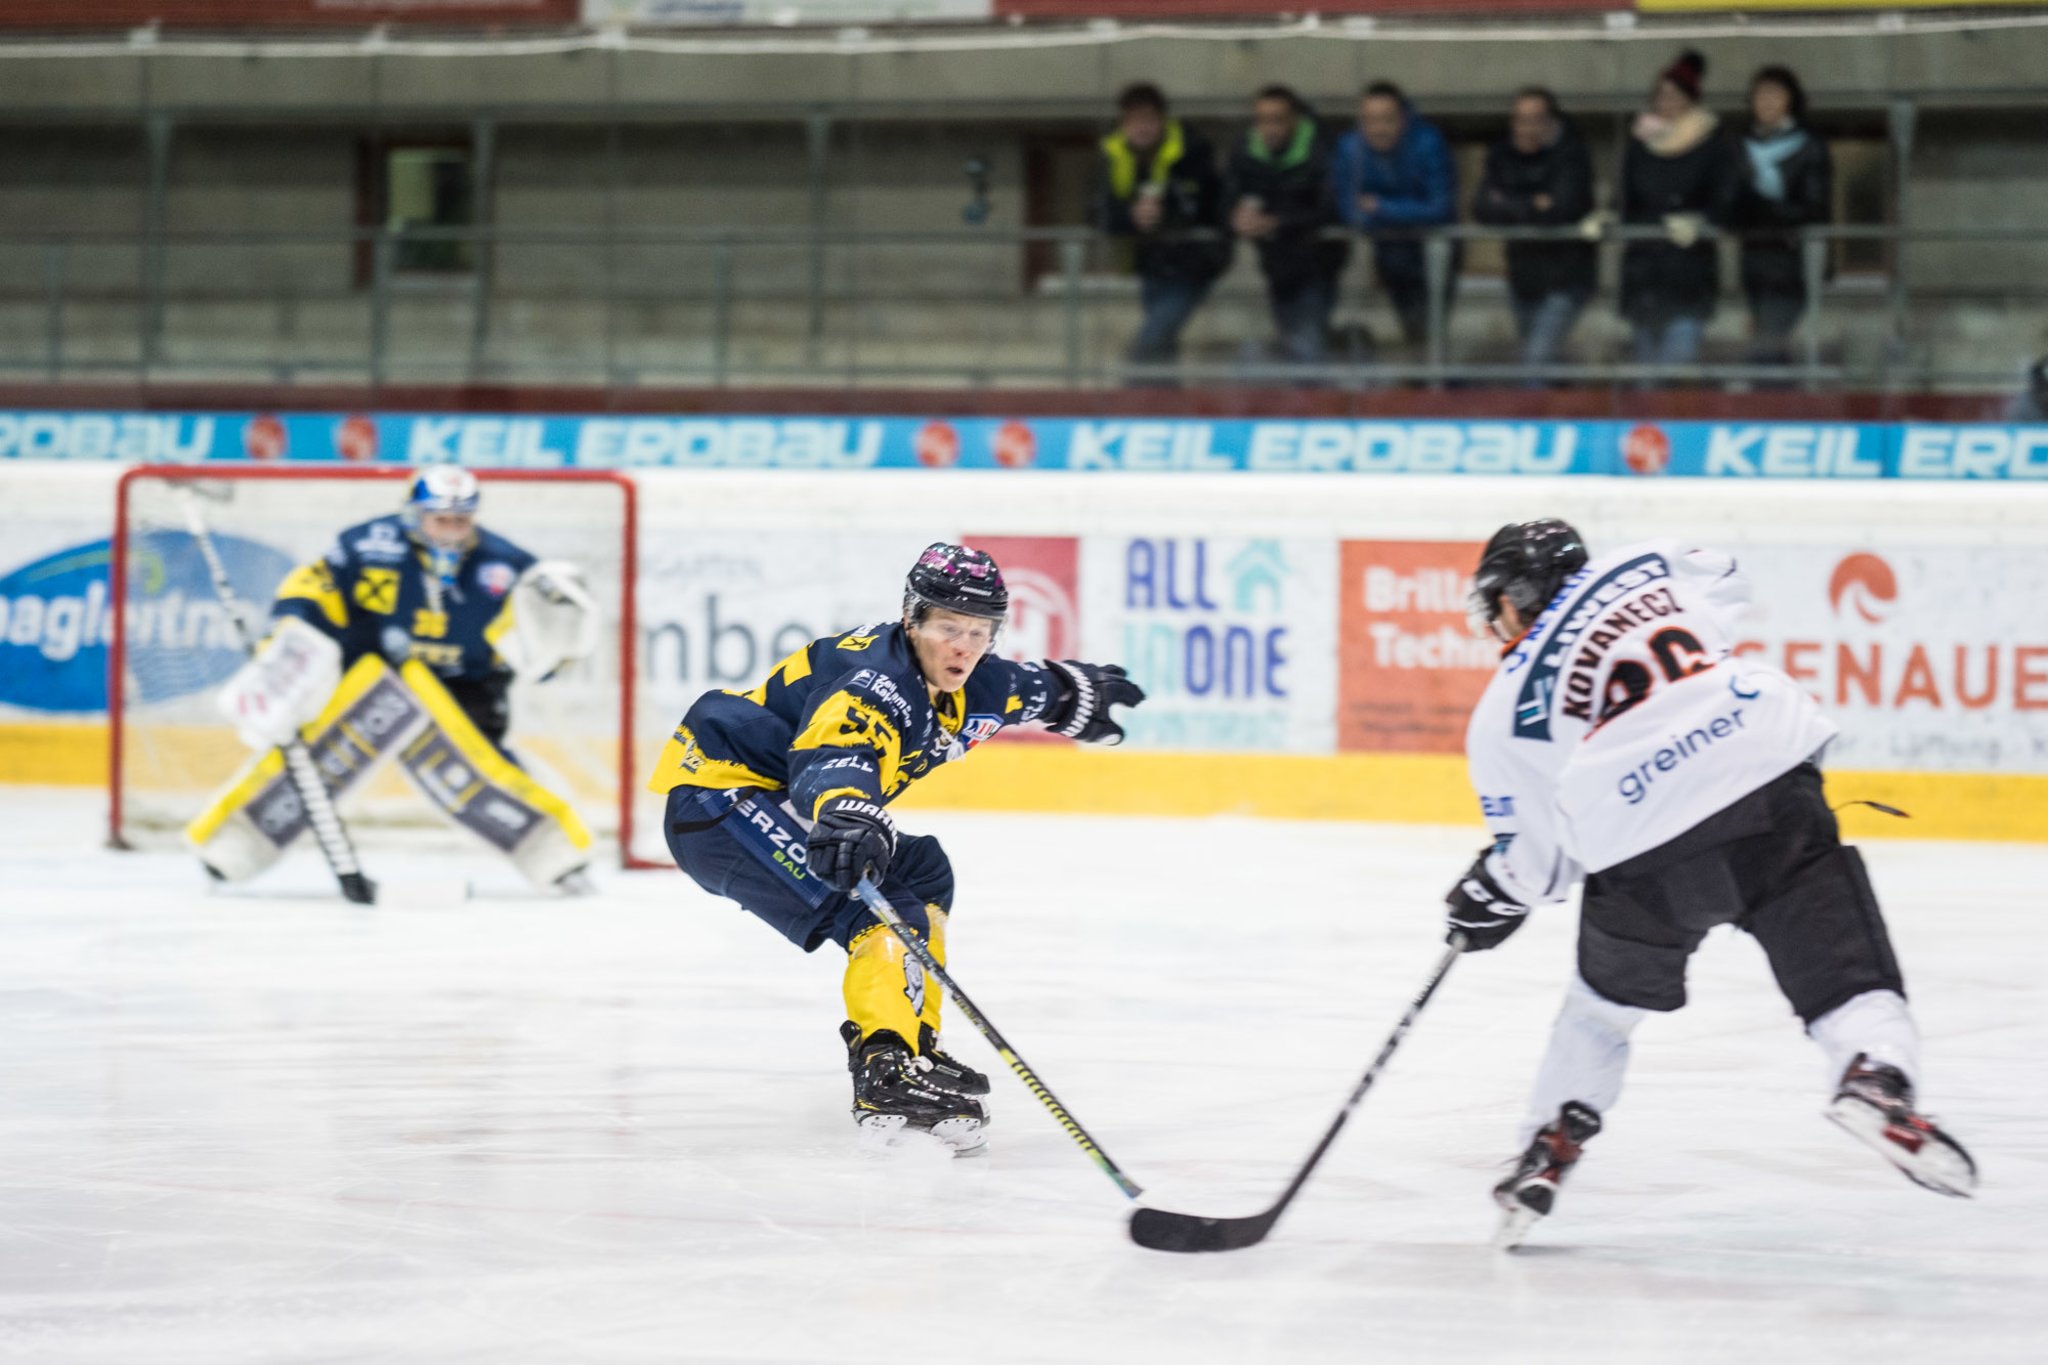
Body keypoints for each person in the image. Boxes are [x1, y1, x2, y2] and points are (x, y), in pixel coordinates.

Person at [1446, 520, 1977, 1249]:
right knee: (1847, 978)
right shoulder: (1644, 565)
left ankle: (1550, 1142)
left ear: (1511, 600)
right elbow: (1728, 574)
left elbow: (1537, 867)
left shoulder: (1502, 710)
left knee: (1601, 1009)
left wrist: (1490, 890)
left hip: (1643, 844)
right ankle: (1876, 1078)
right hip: (1764, 779)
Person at [650, 543, 1145, 1152]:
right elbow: (833, 753)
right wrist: (846, 809)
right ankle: (885, 1068)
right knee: (877, 911)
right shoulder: (876, 684)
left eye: (979, 630)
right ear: (912, 620)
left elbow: (1022, 687)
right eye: (946, 627)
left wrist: (1073, 696)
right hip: (721, 800)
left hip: (770, 803)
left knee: (923, 873)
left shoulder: (976, 676)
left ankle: (913, 1045)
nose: (963, 646)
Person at [189, 467, 602, 893]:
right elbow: (314, 587)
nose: (452, 531)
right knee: (316, 756)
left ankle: (556, 855)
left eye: (461, 520)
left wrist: (555, 643)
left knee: (482, 771)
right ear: (413, 514)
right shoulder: (366, 545)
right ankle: (234, 844)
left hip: (463, 692)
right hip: (369, 679)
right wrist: (289, 628)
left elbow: (531, 644)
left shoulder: (505, 565)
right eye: (440, 519)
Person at [1093, 82, 1231, 378]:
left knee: (1147, 346)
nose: (1142, 128)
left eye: (1149, 119)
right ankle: (1166, 408)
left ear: (1162, 119)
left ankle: (1133, 407)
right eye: (1134, 121)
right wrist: (1131, 216)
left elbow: (1207, 204)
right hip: (1149, 264)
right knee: (1163, 349)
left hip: (1193, 264)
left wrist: (1165, 212)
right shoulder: (1112, 154)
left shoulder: (1192, 150)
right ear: (1123, 122)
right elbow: (1099, 211)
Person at [1619, 50, 1739, 372]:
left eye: (1673, 95)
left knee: (1678, 369)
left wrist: (1701, 223)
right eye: (1660, 94)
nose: (1666, 102)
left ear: (1690, 99)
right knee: (1646, 374)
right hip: (1644, 274)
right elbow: (1627, 200)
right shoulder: (1640, 142)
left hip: (1688, 274)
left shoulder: (1712, 142)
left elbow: (1726, 199)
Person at [1471, 87, 1598, 374]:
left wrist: (1508, 204)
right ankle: (1560, 408)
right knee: (1541, 359)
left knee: (1535, 362)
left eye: (1535, 120)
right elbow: (1481, 208)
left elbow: (1560, 210)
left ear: (1552, 122)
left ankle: (1541, 412)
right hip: (1522, 275)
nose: (1526, 129)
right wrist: (1534, 204)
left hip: (1566, 276)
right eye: (1520, 120)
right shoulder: (1502, 153)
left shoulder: (1572, 154)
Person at [1226, 84, 1351, 368]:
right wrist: (1235, 218)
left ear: (1295, 119)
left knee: (1307, 346)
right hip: (1276, 268)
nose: (1270, 129)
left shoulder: (1320, 149)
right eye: (1262, 120)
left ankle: (1314, 406)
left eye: (1278, 120)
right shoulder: (1246, 150)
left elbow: (1330, 208)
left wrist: (1279, 222)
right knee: (1293, 346)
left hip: (1318, 264)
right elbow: (1226, 198)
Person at [1333, 81, 1460, 350]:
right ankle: (1425, 382)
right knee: (1414, 331)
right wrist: (1405, 213)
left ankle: (1432, 383)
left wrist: (1381, 208)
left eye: (1387, 120)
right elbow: (1350, 212)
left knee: (1433, 330)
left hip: (1435, 251)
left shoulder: (1428, 143)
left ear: (1403, 119)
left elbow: (1439, 208)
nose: (1378, 129)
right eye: (1370, 120)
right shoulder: (1349, 149)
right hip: (1391, 254)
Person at [1732, 65, 1833, 365]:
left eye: (1775, 95)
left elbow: (1815, 207)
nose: (1766, 102)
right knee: (1765, 337)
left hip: (1792, 261)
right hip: (1753, 259)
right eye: (1761, 95)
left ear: (1791, 101)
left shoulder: (1809, 146)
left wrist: (1766, 208)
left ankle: (1772, 403)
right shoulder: (1739, 146)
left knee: (1770, 343)